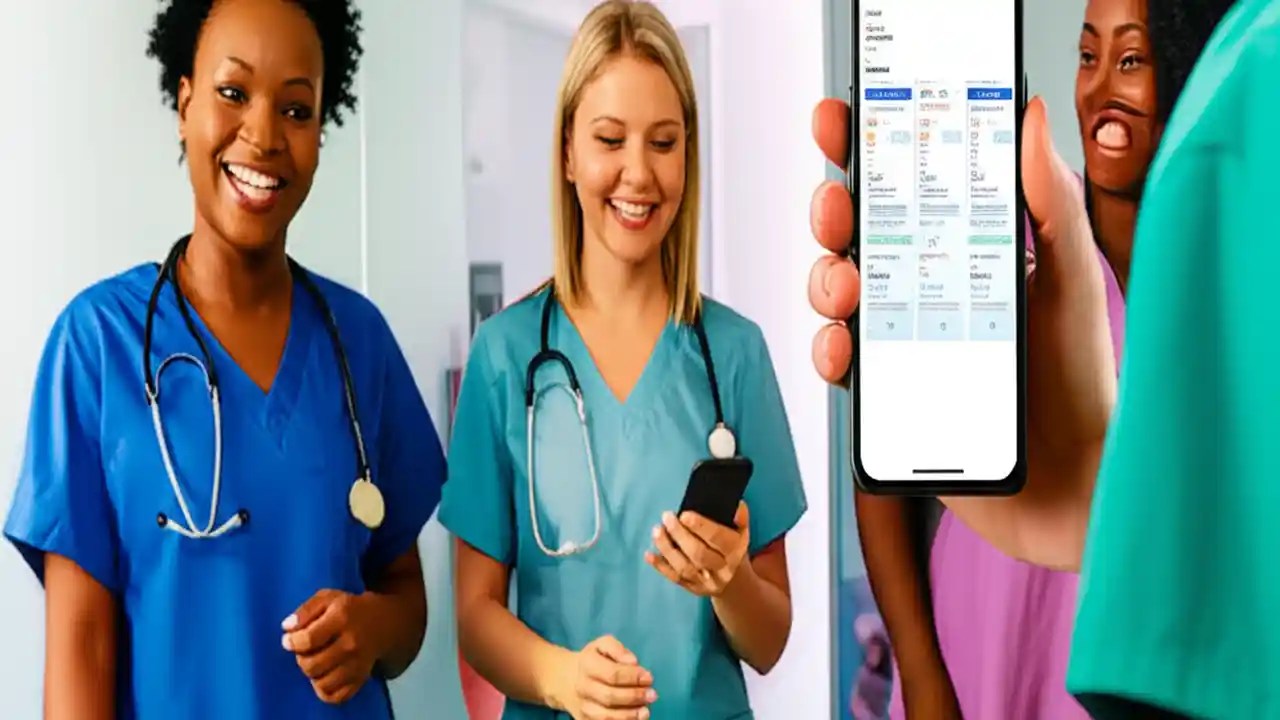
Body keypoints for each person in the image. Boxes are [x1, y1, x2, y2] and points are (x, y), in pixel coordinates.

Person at [812, 0, 1280, 717]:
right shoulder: (1025, 264)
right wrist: (924, 674)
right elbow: (886, 477)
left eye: (1132, 59)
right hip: (976, 650)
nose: (1101, 86)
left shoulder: (1214, 275)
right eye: (1088, 57)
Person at [3, 1, 445, 718]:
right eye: (233, 93)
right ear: (184, 105)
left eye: (297, 110)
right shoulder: (98, 347)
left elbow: (405, 601)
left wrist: (373, 628)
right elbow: (80, 650)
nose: (265, 135)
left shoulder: (359, 342)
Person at [439, 2, 808, 718]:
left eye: (664, 143)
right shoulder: (504, 357)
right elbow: (476, 616)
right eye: (610, 139)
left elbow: (769, 641)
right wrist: (559, 678)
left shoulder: (734, 356)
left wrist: (728, 581)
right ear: (569, 152)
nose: (638, 173)